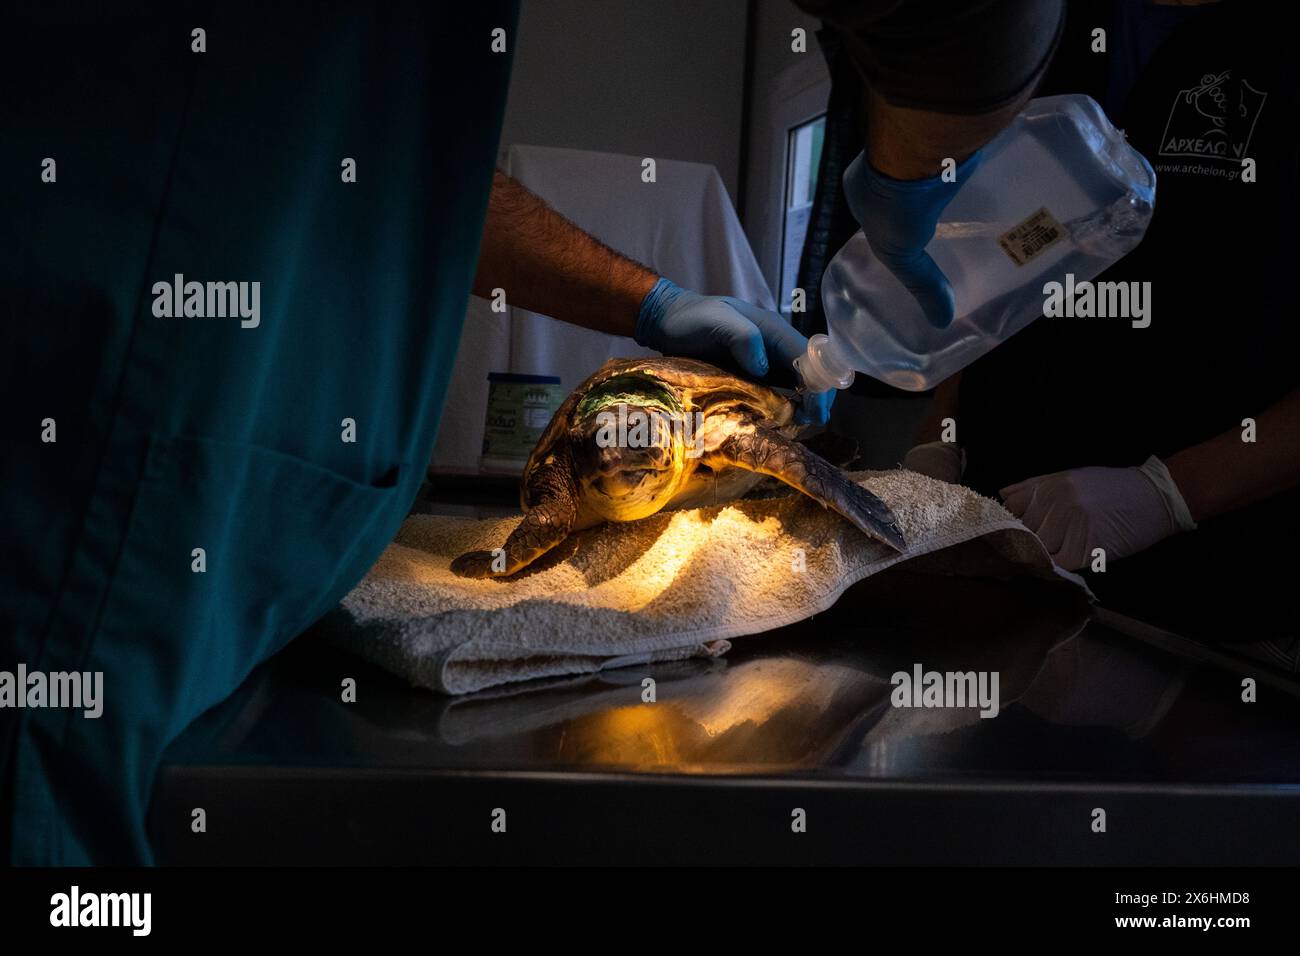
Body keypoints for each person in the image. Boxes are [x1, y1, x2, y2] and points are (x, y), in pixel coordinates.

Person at [0, 0, 1062, 864]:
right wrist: (913, 171)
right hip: (104, 463)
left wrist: (650, 301)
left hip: (214, 500)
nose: (640, 450)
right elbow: (976, 31)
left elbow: (391, 172)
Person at [903, 0, 1300, 640]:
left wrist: (1166, 495)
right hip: (991, 546)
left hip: (1203, 603)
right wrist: (938, 439)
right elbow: (1003, 269)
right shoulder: (1045, 35)